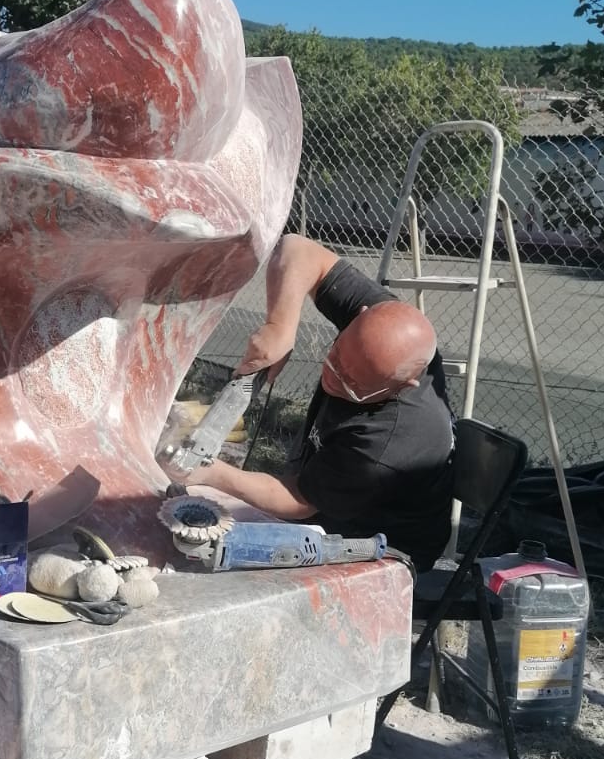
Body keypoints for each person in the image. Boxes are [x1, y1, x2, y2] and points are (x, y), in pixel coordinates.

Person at [183, 236, 455, 569]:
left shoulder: (387, 445)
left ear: (404, 384)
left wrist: (210, 473)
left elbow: (299, 499)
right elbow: (297, 249)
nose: (333, 378)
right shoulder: (382, 323)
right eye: (336, 358)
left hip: (384, 550)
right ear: (360, 316)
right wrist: (280, 326)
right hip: (334, 500)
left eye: (353, 383)